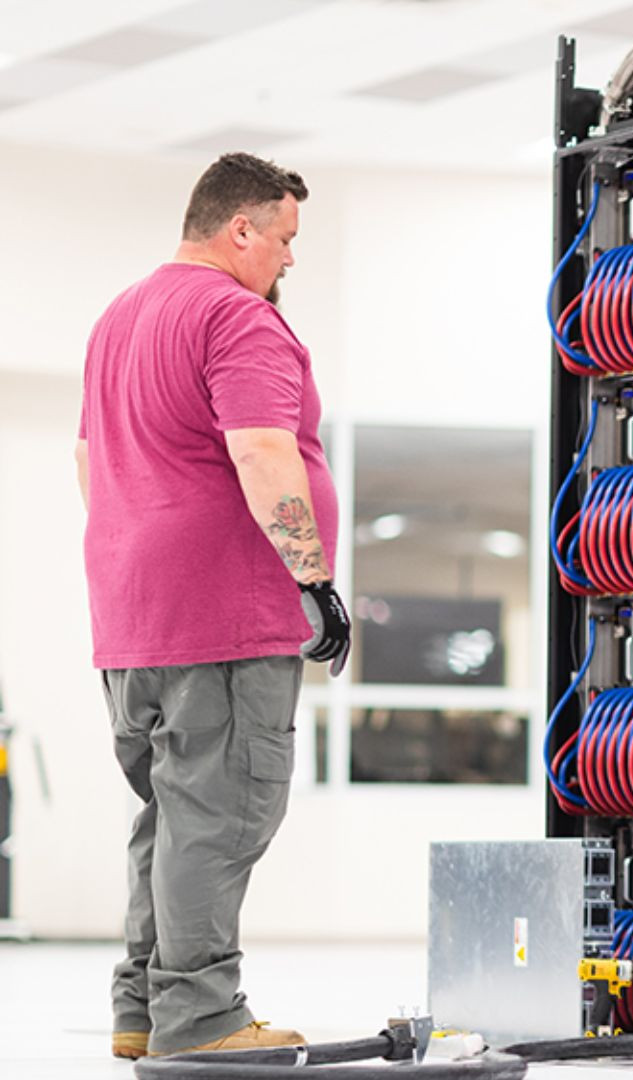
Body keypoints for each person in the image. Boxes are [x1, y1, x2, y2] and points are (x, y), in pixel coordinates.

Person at [76, 152, 353, 1060]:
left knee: (169, 813)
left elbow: (89, 462)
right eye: (285, 237)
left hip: (133, 618)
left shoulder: (120, 317)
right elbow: (262, 450)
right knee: (222, 813)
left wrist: (144, 553)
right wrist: (313, 579)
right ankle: (200, 1018)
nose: (290, 258)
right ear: (241, 228)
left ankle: (142, 1007)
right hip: (223, 618)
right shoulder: (237, 316)